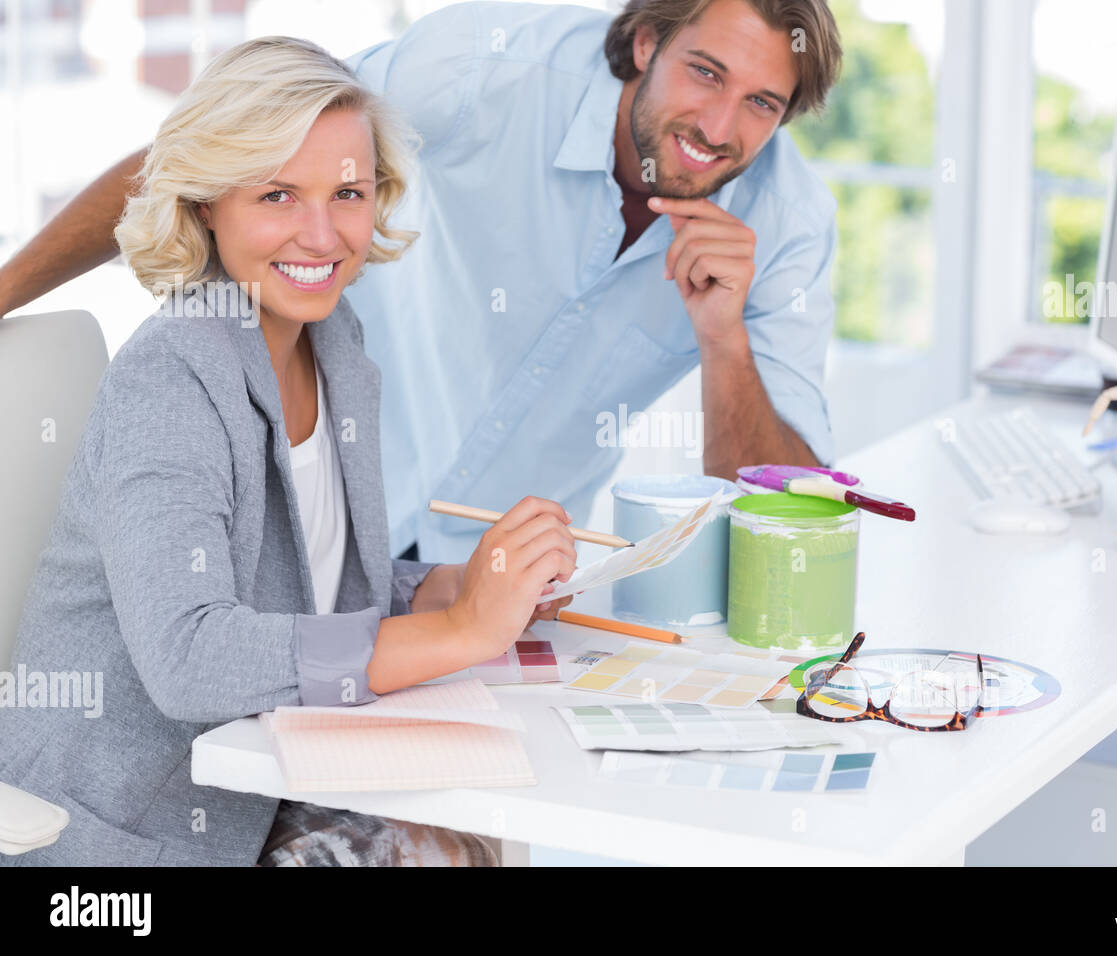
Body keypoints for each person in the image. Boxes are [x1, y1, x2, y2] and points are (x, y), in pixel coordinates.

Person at [0, 36, 575, 867]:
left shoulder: (335, 342)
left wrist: (459, 589)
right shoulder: (171, 373)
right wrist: (455, 633)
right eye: (276, 194)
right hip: (118, 832)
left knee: (472, 840)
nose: (321, 233)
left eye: (347, 192)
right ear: (205, 205)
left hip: (261, 778)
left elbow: (308, 584)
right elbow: (192, 657)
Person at [0, 0, 845, 565]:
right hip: (297, 513)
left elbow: (788, 506)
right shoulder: (488, 70)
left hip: (489, 576)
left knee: (439, 831)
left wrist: (723, 340)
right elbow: (207, 153)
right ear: (647, 42)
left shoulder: (788, 225)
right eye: (706, 72)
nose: (720, 127)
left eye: (763, 103)